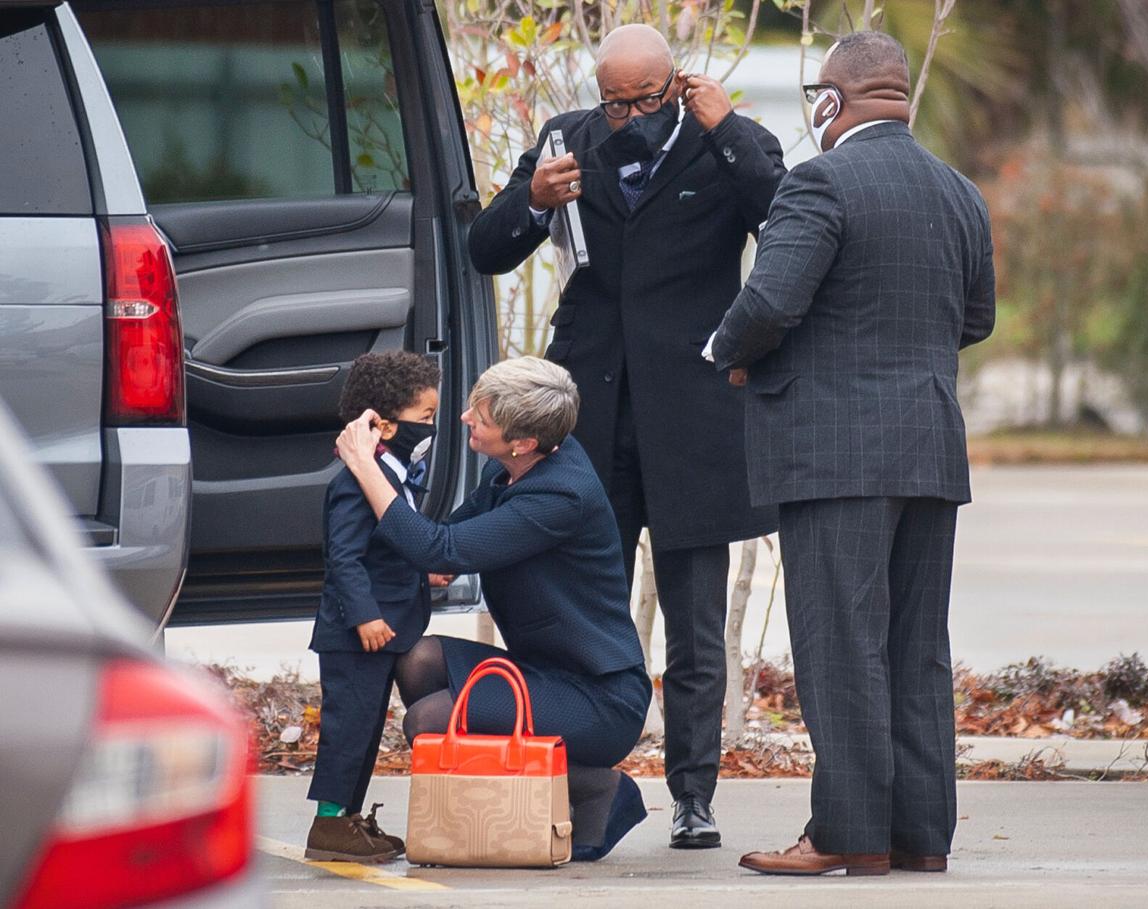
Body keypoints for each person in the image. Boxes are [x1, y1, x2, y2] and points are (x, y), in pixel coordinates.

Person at [466, 23, 785, 849]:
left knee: (694, 623)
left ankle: (693, 796)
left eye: (646, 99)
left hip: (693, 423)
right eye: (616, 102)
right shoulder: (568, 140)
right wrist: (532, 200)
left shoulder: (724, 141)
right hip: (592, 422)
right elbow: (486, 250)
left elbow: (783, 220)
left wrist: (730, 131)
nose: (630, 115)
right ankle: (585, 786)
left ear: (676, 84)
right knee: (575, 617)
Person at [709, 32, 995, 876]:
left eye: (815, 95)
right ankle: (917, 836)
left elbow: (768, 302)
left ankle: (845, 832)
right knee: (916, 647)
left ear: (833, 100)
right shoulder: (959, 191)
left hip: (836, 456)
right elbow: (974, 320)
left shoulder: (819, 182)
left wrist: (723, 350)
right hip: (929, 449)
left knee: (840, 646)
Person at [336, 356, 653, 862]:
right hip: (543, 671)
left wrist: (364, 466)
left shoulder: (559, 494)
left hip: (598, 698)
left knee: (428, 722)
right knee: (418, 660)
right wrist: (434, 558)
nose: (464, 419)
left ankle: (592, 787)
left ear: (523, 441)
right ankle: (532, 791)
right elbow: (451, 542)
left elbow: (441, 549)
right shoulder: (516, 464)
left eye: (479, 418)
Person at [305, 350, 442, 863]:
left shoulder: (395, 473)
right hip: (356, 632)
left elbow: (387, 544)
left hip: (386, 629)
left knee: (364, 729)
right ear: (382, 426)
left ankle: (348, 819)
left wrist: (424, 569)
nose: (433, 426)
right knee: (347, 727)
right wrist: (364, 614)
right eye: (425, 416)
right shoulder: (354, 482)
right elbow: (343, 556)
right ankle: (327, 822)